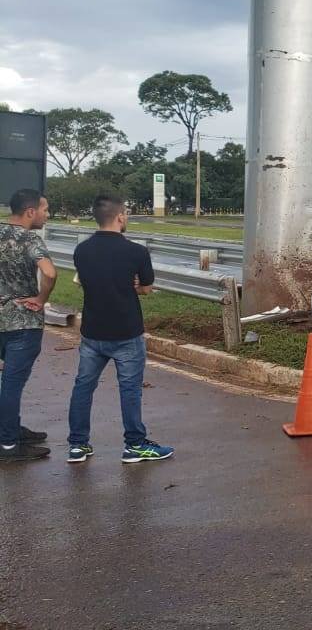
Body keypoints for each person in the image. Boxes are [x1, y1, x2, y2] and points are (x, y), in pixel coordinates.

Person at [66, 194, 173, 463]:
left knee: (83, 386)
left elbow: (84, 281)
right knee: (130, 389)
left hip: (92, 332)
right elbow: (146, 288)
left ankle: (78, 445)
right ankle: (134, 444)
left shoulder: (82, 250)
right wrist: (134, 286)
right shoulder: (136, 252)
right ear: (120, 216)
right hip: (126, 332)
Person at [0, 189, 56, 462]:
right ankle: (8, 445)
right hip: (22, 321)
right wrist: (41, 298)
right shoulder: (29, 238)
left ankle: (10, 429)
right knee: (12, 383)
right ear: (30, 211)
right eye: (45, 210)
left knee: (7, 383)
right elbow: (49, 272)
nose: (47, 215)